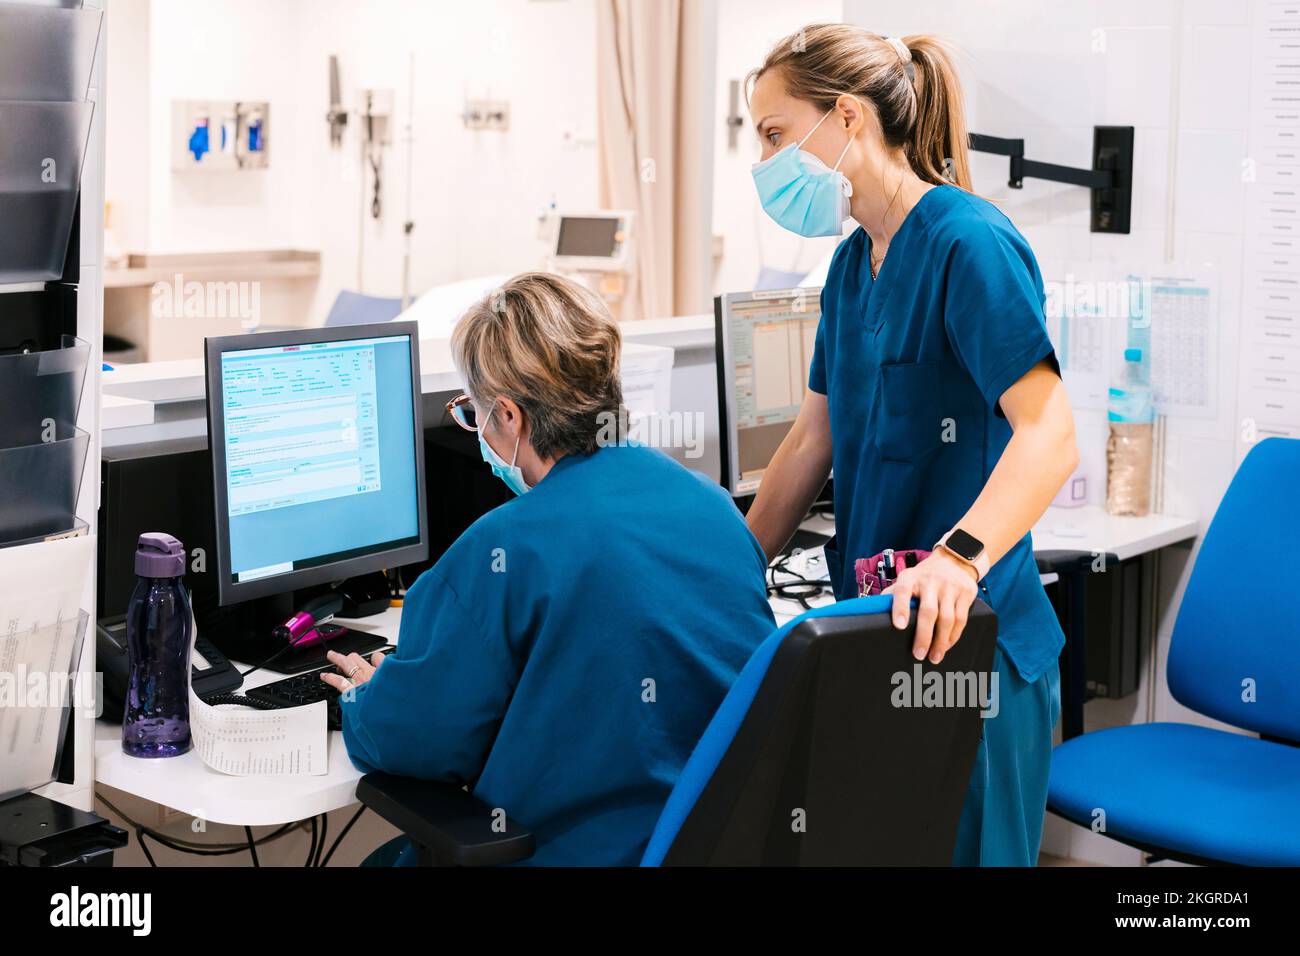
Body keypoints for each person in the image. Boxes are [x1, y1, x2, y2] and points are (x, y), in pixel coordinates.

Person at [744, 25, 1077, 866]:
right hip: (880, 634)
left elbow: (1051, 433)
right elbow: (811, 440)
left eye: (776, 134)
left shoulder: (969, 244)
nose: (764, 160)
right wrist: (732, 564)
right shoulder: (853, 267)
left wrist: (957, 560)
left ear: (847, 118)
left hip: (973, 648)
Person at [324, 272, 776, 866]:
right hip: (713, 846)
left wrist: (368, 700)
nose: (479, 430)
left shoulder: (502, 550)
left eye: (475, 413)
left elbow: (420, 743)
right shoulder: (714, 507)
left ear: (509, 416)